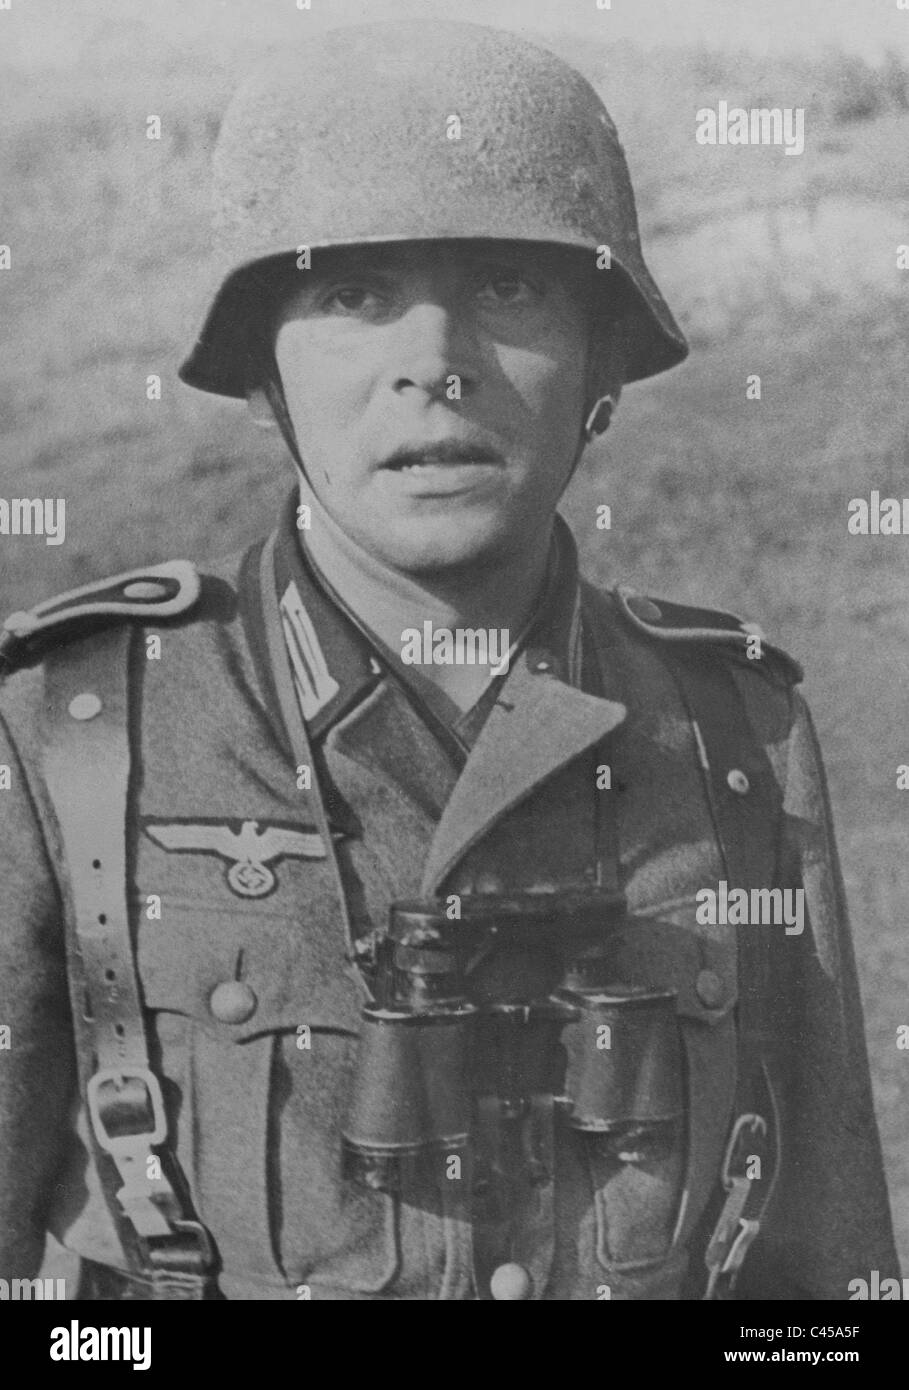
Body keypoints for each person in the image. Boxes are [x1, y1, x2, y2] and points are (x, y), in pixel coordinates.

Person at [0, 19, 898, 1301]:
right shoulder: (75, 733)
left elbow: (820, 1289)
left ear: (602, 363)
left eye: (510, 289)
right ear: (263, 375)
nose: (437, 362)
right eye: (355, 296)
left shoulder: (737, 732)